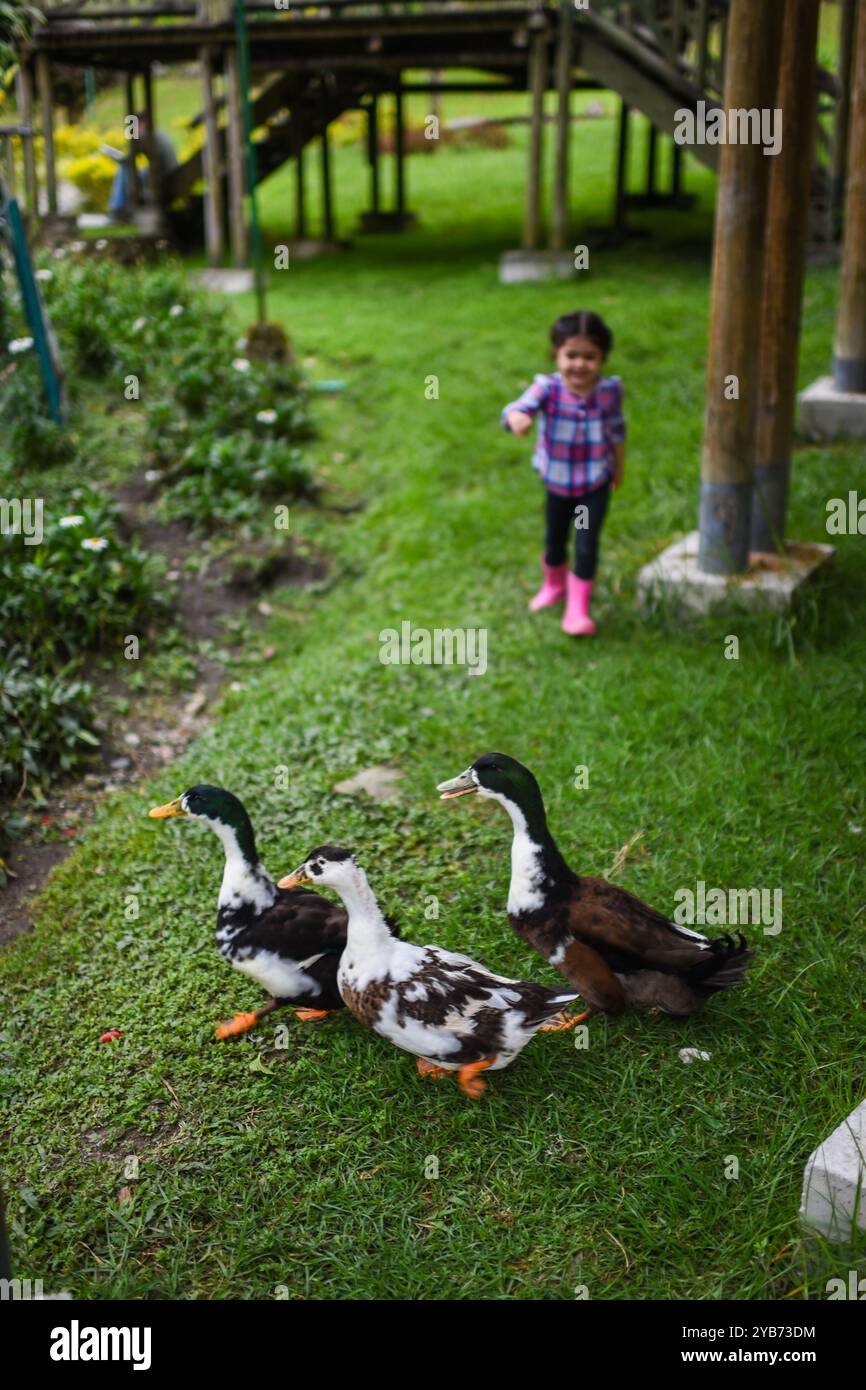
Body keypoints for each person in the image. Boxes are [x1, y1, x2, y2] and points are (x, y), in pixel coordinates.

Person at [502, 309, 625, 637]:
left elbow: (617, 430)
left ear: (602, 358)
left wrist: (618, 467)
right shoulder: (548, 389)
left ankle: (577, 610)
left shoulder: (609, 391)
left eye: (590, 356)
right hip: (557, 483)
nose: (580, 365)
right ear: (555, 354)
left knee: (585, 544)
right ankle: (554, 585)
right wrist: (516, 418)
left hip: (592, 485)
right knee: (555, 539)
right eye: (571, 355)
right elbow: (519, 407)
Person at [108, 112, 178, 221]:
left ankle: (117, 208)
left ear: (141, 124)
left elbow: (130, 158)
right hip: (167, 175)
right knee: (131, 170)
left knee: (124, 169)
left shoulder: (147, 135)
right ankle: (117, 207)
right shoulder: (158, 134)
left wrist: (116, 156)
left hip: (163, 179)